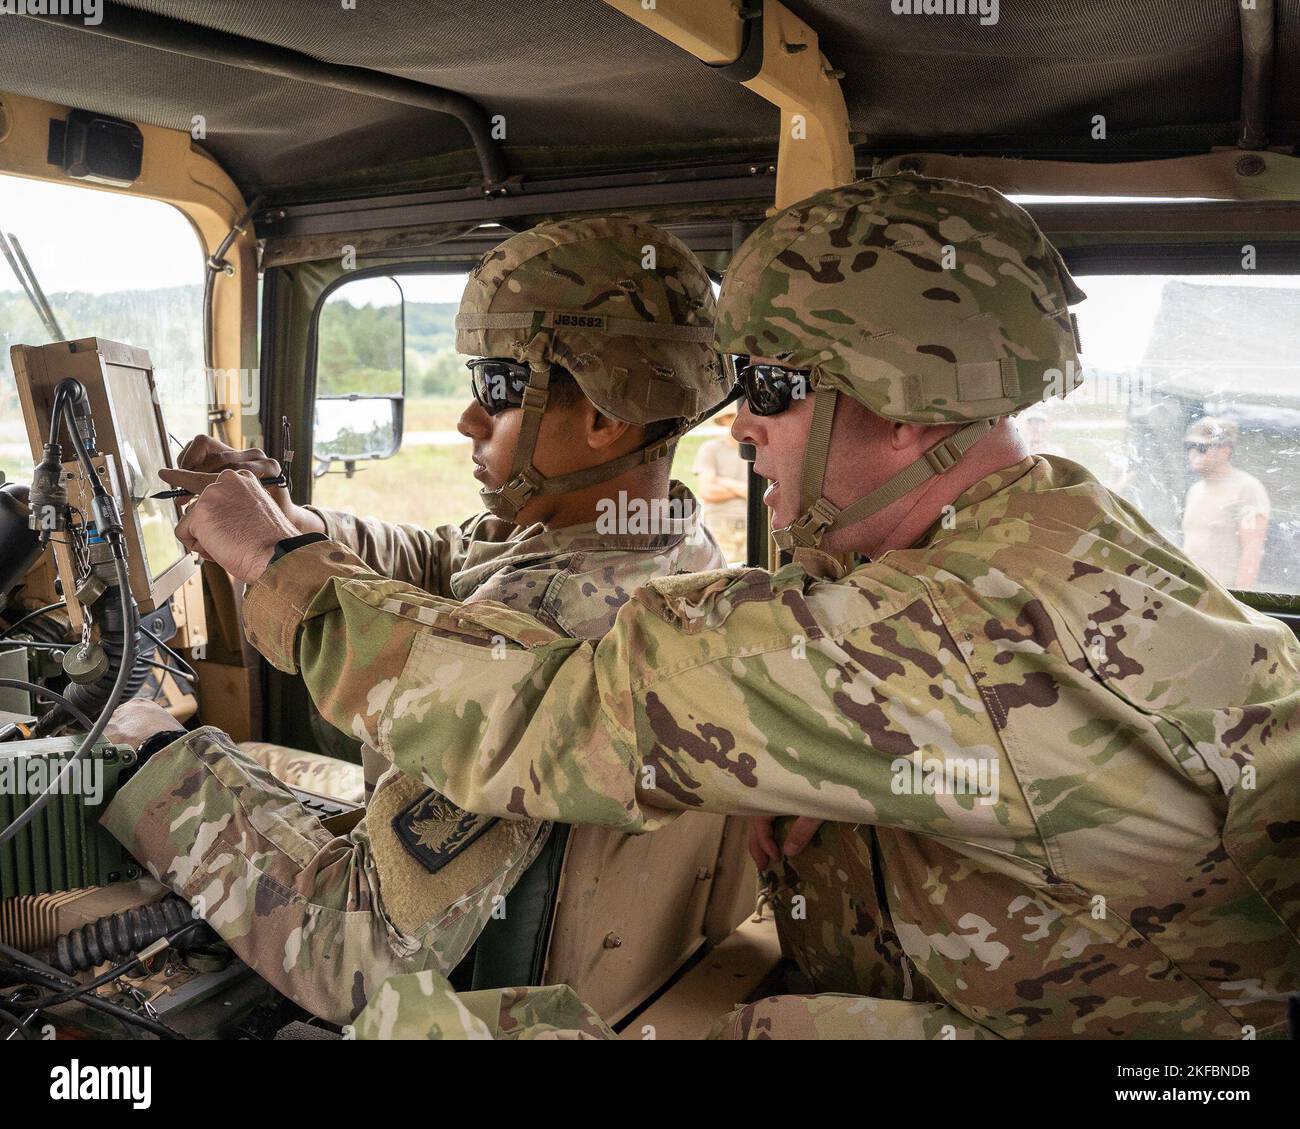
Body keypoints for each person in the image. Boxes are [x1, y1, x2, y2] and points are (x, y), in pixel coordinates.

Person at [158, 174, 1300, 1040]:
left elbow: (553, 707)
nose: (739, 423)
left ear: (906, 405)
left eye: (773, 387)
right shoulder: (1048, 528)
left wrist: (282, 573)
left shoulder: (952, 630)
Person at [100, 216, 731, 1026]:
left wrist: (159, 755)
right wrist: (288, 533)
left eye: (499, 387)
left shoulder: (548, 624)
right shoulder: (664, 541)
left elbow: (360, 953)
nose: (469, 418)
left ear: (607, 416)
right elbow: (451, 560)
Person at [1181, 416, 1270, 590]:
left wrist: (1240, 601)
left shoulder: (1247, 488)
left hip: (1222, 597)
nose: (1193, 453)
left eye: (1201, 447)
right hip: (1191, 592)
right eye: (1189, 446)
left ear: (1225, 450)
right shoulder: (1195, 490)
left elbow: (1252, 551)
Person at [692, 404, 749, 563]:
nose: (736, 421)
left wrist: (724, 482)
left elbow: (755, 493)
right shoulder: (710, 449)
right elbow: (708, 491)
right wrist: (742, 489)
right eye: (731, 417)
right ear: (724, 420)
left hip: (749, 523)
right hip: (719, 525)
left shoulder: (756, 451)